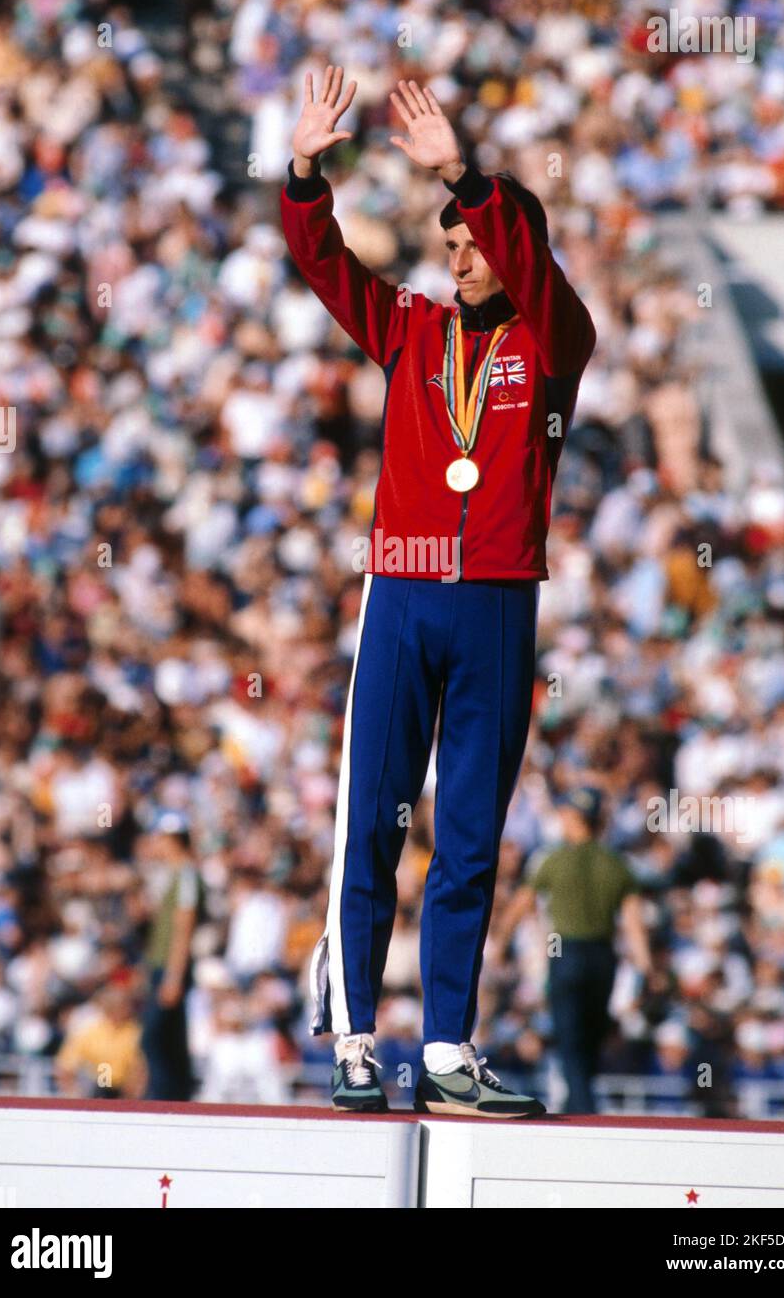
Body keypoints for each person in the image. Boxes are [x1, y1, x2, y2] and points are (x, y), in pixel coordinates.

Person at [278, 66, 596, 1117]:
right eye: (448, 241)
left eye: (474, 239)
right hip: (403, 593)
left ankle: (450, 1045)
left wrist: (464, 174)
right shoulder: (412, 331)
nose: (457, 255)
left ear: (513, 247)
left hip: (499, 601)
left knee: (467, 829)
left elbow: (522, 260)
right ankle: (357, 1039)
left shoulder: (551, 342)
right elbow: (324, 269)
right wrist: (302, 172)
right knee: (370, 816)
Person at [499, 786, 653, 1114]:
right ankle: (580, 1106)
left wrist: (500, 944)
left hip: (564, 954)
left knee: (570, 1041)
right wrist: (645, 967)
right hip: (602, 958)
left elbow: (521, 904)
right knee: (591, 1039)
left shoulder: (552, 859)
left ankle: (581, 1113)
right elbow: (633, 923)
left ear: (572, 817)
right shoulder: (616, 863)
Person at [139, 815, 205, 1100]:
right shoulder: (176, 873)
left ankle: (165, 1099)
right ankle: (176, 1098)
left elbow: (184, 925)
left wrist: (173, 976)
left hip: (170, 968)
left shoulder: (186, 874)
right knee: (171, 1039)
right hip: (164, 966)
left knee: (154, 1038)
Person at [55, 977, 147, 1100]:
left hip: (125, 1090)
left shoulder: (135, 1032)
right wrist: (76, 1095)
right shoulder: (90, 1032)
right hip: (95, 1087)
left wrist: (131, 1098)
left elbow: (140, 1070)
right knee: (102, 1074)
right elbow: (65, 1067)